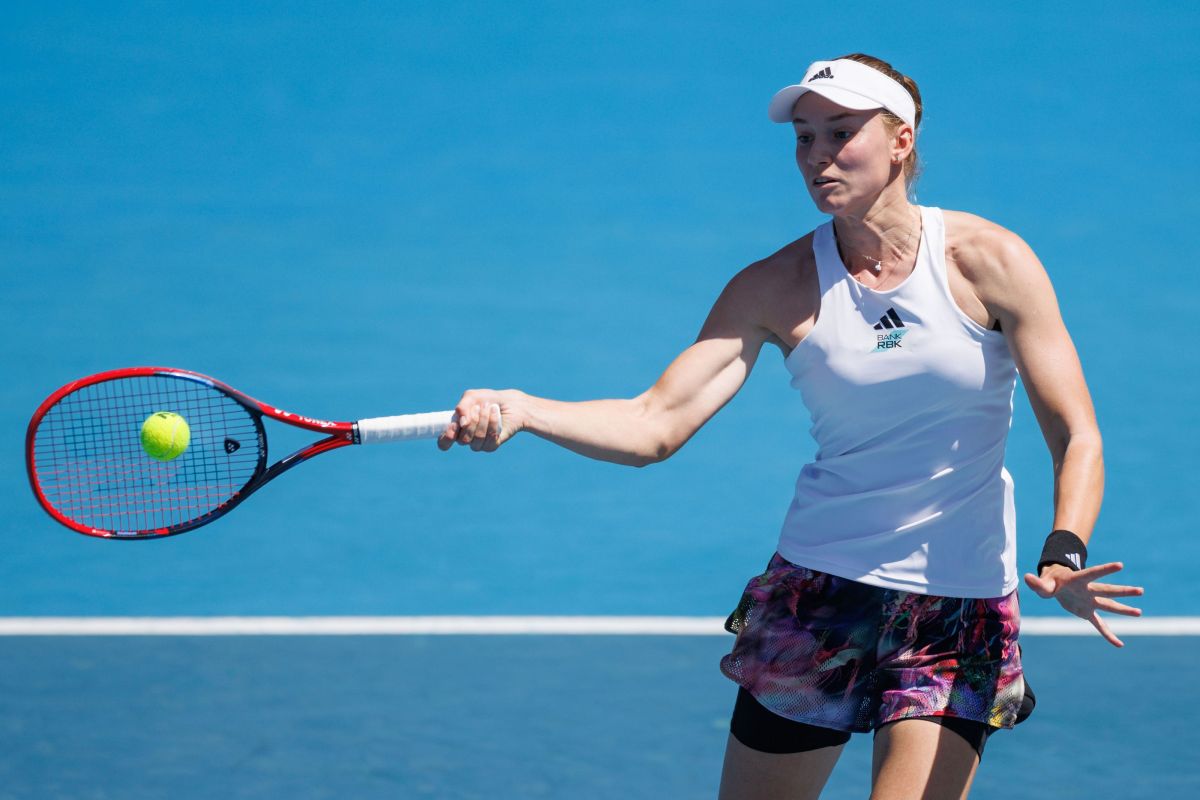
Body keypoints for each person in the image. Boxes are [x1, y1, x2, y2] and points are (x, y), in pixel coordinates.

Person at [437, 53, 1145, 799]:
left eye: (840, 132)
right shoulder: (774, 286)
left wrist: (1064, 550)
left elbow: (1077, 433)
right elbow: (655, 424)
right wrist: (523, 409)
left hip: (957, 604)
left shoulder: (989, 262)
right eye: (803, 138)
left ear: (901, 139)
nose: (816, 156)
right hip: (821, 597)